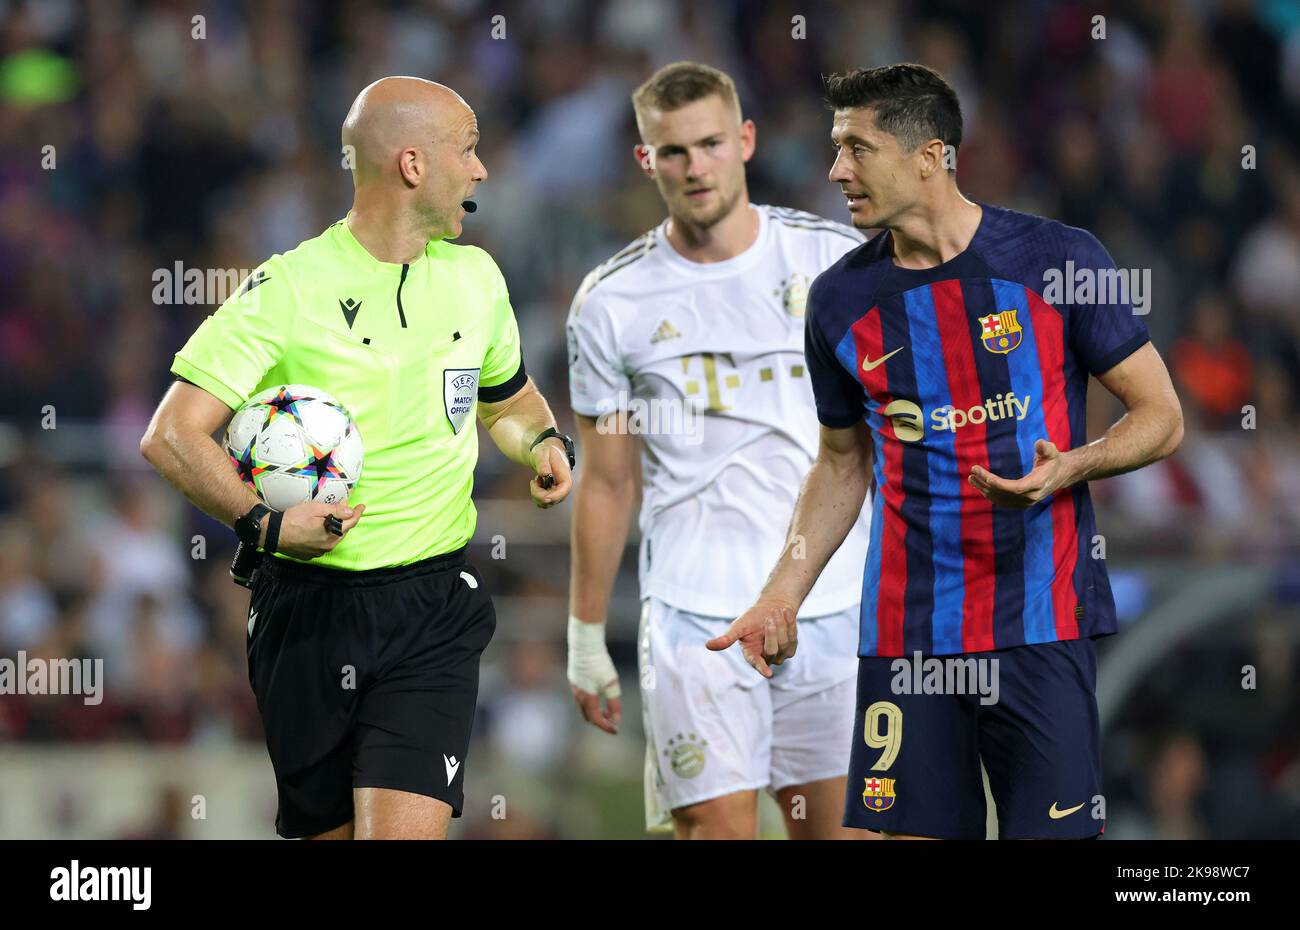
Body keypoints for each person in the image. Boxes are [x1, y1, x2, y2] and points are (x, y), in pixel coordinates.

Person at [710, 63, 1184, 839]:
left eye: (857, 149)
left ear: (930, 157)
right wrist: (781, 594)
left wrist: (1075, 464)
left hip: (1040, 623)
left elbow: (1161, 415)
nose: (836, 171)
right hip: (910, 634)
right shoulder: (838, 302)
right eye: (836, 150)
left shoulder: (1057, 260)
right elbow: (840, 462)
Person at [140, 77, 574, 840]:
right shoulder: (287, 289)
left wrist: (539, 441)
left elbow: (508, 401)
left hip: (432, 610)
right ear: (412, 164)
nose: (481, 171)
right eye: (467, 151)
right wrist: (264, 527)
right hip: (305, 613)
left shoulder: (478, 281)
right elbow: (171, 434)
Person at [565, 62, 873, 840]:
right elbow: (605, 484)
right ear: (646, 161)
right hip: (694, 619)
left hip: (832, 602)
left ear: (745, 140)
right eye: (673, 152)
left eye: (709, 144)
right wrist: (584, 635)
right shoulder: (610, 302)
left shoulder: (833, 261)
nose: (694, 166)